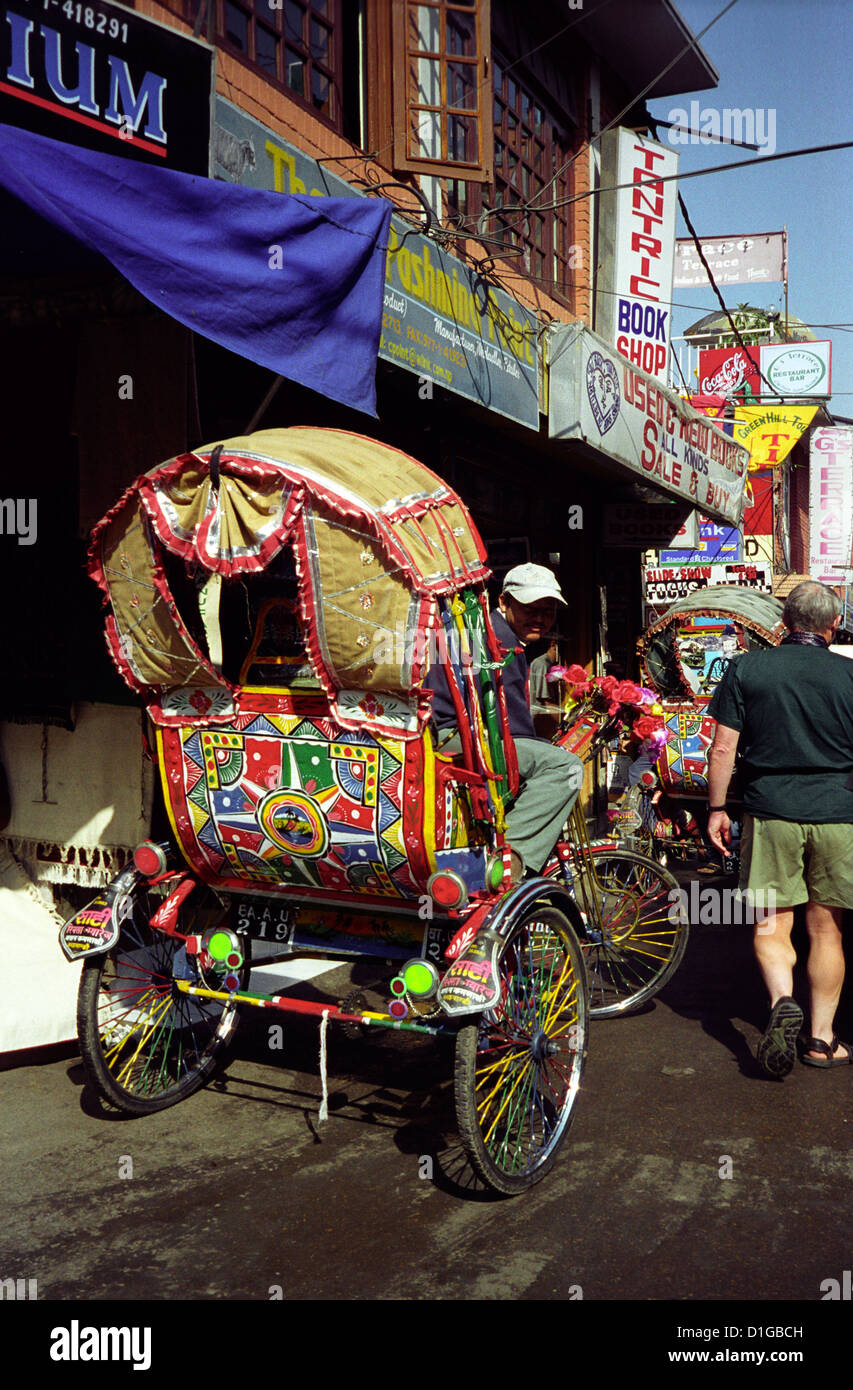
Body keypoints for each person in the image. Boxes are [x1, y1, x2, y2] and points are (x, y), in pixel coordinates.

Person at [706, 580, 853, 1077]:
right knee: (826, 929)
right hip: (838, 813)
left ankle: (781, 1002)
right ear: (833, 625)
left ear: (784, 623)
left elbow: (723, 748)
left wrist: (717, 808)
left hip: (770, 811)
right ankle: (821, 1038)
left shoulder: (747, 667)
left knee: (772, 923)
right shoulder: (850, 675)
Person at [424, 563, 584, 875]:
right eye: (529, 608)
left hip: (454, 732)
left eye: (547, 610)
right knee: (566, 767)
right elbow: (515, 729)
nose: (539, 618)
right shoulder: (500, 644)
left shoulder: (483, 630)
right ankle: (509, 861)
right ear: (503, 602)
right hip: (460, 736)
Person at [528, 638, 562, 737]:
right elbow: (546, 701)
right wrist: (563, 721)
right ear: (553, 645)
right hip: (541, 720)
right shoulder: (542, 664)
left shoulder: (550, 664)